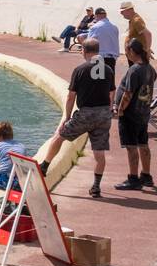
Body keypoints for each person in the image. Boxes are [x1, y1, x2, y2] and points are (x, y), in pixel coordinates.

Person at [37, 38, 115, 198]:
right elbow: (111, 93)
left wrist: (66, 117)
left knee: (59, 137)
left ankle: (44, 167)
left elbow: (71, 96)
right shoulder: (108, 69)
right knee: (99, 154)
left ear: (84, 51)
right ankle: (96, 187)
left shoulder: (80, 70)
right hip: (103, 115)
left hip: (86, 113)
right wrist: (108, 109)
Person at [114, 38, 156, 190]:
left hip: (131, 114)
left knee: (131, 147)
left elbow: (128, 93)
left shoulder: (134, 70)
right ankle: (146, 175)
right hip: (143, 112)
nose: (127, 55)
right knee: (143, 144)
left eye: (127, 52)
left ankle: (133, 178)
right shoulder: (150, 69)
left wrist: (120, 110)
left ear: (132, 51)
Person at [0, 121, 26, 192]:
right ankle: (15, 185)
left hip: (6, 179)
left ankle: (11, 187)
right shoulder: (21, 146)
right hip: (21, 178)